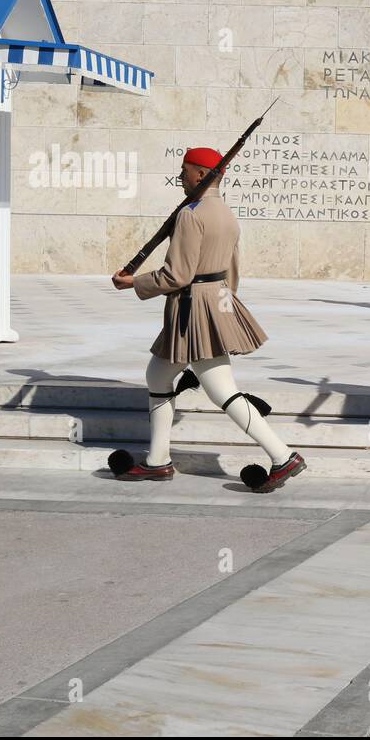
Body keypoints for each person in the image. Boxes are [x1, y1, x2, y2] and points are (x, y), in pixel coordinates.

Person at [110, 147, 304, 493]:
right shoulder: (227, 214)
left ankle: (282, 455)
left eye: (185, 170)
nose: (180, 176)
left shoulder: (191, 214)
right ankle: (157, 460)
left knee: (222, 390)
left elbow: (177, 275)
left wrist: (133, 283)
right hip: (214, 300)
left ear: (201, 174)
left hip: (192, 308)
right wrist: (224, 309)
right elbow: (232, 270)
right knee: (158, 373)